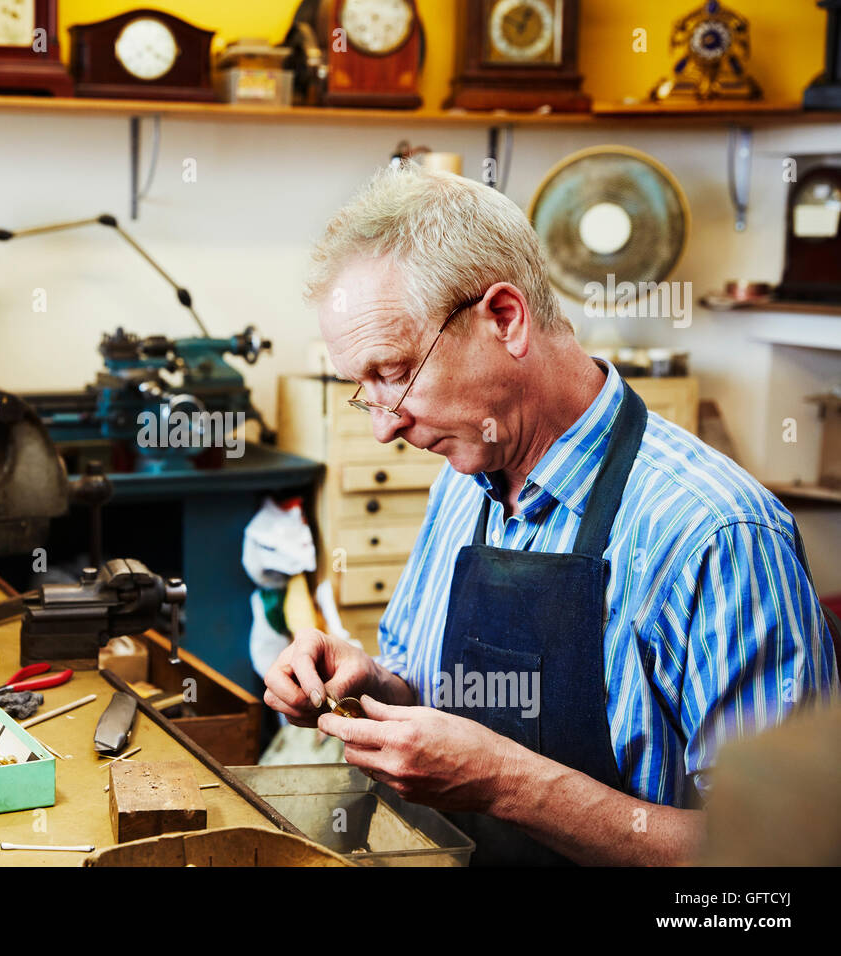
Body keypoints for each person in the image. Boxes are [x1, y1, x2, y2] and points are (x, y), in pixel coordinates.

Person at [264, 163, 838, 866]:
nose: (384, 427)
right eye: (364, 390)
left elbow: (781, 860)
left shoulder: (715, 534)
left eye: (394, 374)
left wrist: (507, 785)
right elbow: (432, 688)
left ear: (504, 319)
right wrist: (369, 682)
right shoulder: (465, 475)